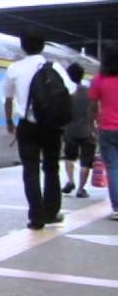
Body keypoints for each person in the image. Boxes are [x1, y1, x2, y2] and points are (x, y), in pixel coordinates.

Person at [3, 31, 75, 230]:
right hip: (51, 125)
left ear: (23, 46)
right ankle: (51, 212)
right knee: (51, 168)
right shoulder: (55, 67)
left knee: (30, 170)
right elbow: (70, 90)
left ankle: (36, 217)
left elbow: (8, 99)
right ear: (43, 47)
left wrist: (10, 123)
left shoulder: (14, 68)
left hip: (27, 125)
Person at [89, 47, 118, 220]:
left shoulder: (99, 79)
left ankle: (117, 208)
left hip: (107, 128)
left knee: (113, 168)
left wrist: (94, 123)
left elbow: (92, 105)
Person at [62, 63, 94, 198]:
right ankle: (81, 189)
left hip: (69, 130)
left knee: (69, 157)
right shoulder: (89, 92)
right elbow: (94, 110)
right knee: (86, 161)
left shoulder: (66, 92)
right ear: (82, 76)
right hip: (87, 130)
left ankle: (70, 181)